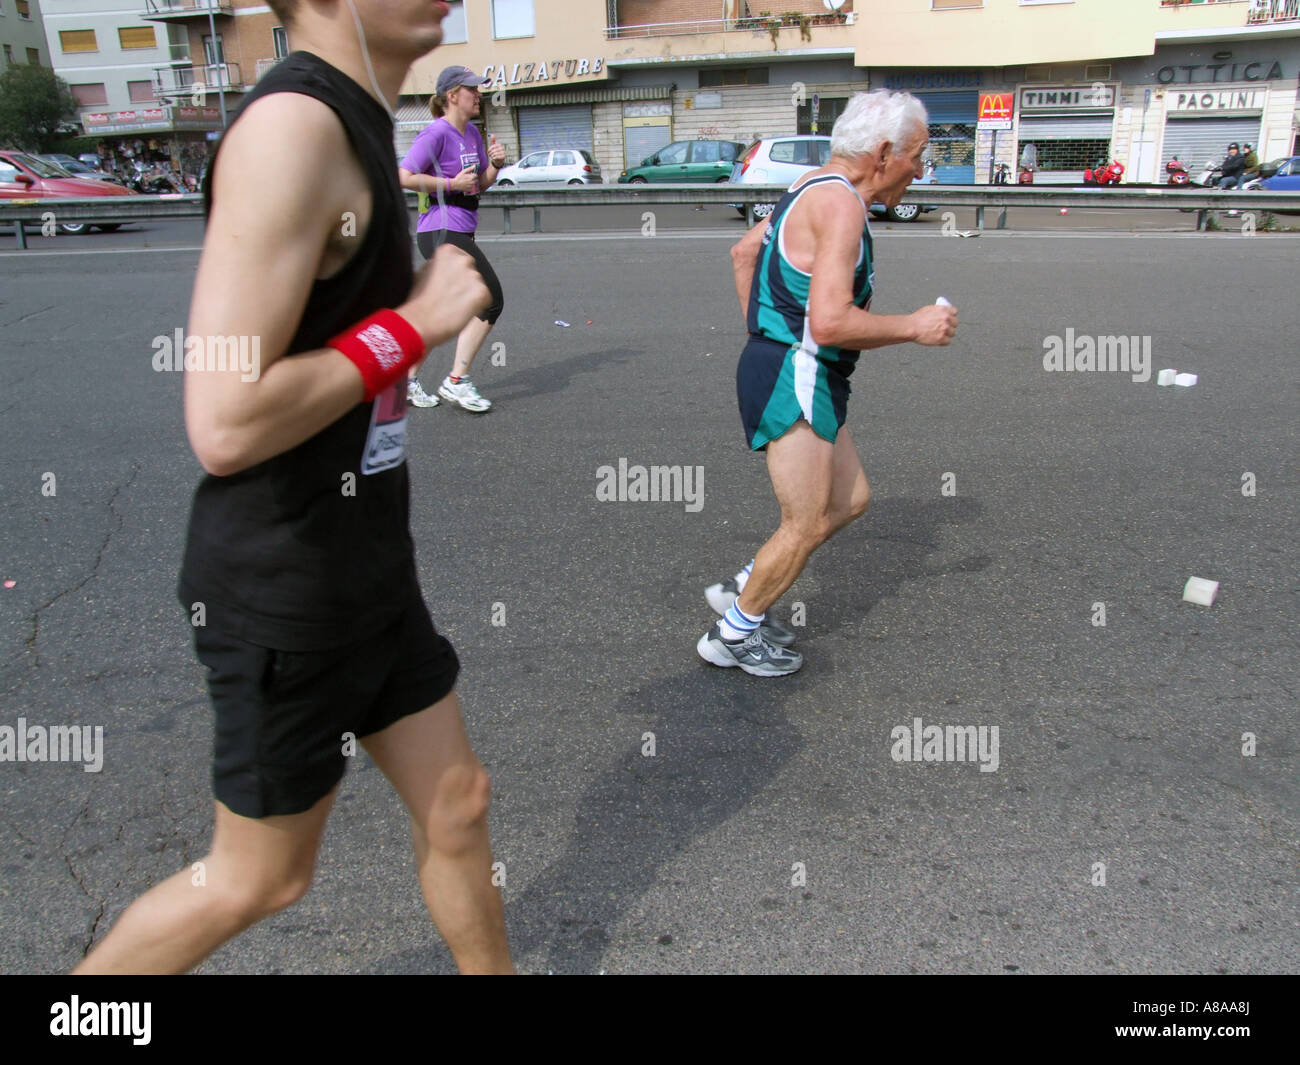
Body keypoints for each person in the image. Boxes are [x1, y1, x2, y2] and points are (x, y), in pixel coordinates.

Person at [74, 0, 513, 974]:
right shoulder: (293, 130)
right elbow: (225, 420)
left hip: (366, 568)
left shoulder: (360, 119)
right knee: (258, 879)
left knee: (458, 803)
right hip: (287, 586)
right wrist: (417, 322)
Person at [699, 90, 957, 677]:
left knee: (850, 501)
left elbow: (744, 253)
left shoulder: (810, 185)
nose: (921, 169)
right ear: (885, 151)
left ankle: (741, 589)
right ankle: (732, 635)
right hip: (798, 374)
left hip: (792, 367)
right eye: (918, 155)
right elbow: (833, 322)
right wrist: (915, 326)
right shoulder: (839, 206)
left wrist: (766, 334)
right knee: (807, 522)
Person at [398, 67, 507, 412]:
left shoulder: (473, 133)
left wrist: (495, 166)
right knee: (489, 300)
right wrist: (449, 185)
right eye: (472, 90)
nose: (479, 96)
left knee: (442, 309)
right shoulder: (436, 133)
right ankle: (456, 381)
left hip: (461, 226)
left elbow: (479, 186)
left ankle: (408, 382)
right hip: (440, 230)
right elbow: (404, 176)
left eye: (479, 90)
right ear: (452, 95)